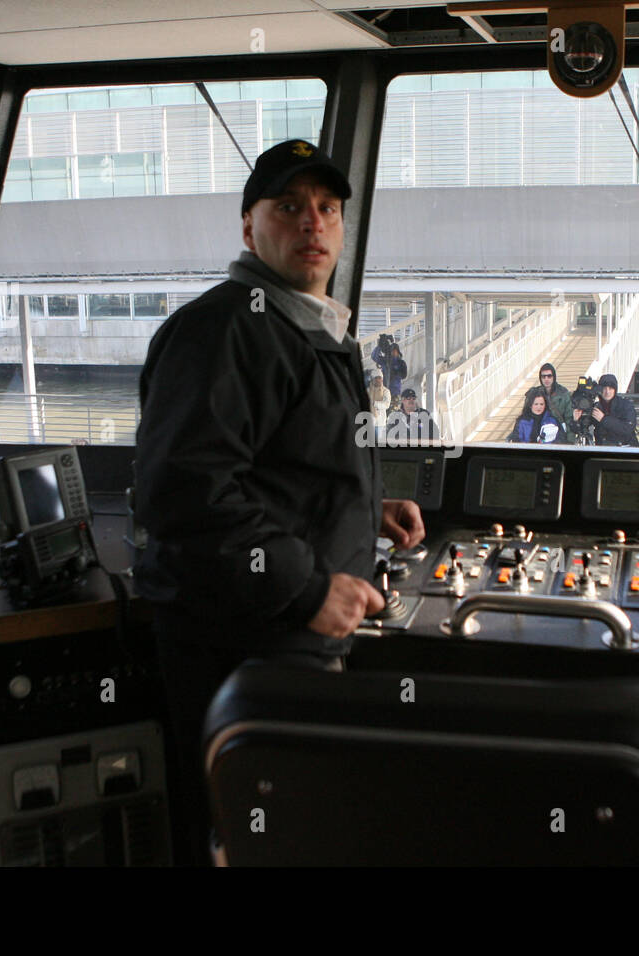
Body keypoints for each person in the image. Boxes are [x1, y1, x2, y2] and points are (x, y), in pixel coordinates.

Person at [134, 139, 426, 863]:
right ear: (248, 227)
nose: (313, 224)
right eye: (289, 207)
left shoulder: (309, 325)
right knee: (261, 836)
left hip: (291, 632)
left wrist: (367, 509)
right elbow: (186, 498)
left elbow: (283, 465)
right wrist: (304, 589)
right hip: (246, 640)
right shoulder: (223, 330)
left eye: (327, 209)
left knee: (304, 828)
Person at [592, 373, 638, 446]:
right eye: (604, 388)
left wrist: (604, 419)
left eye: (610, 388)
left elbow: (628, 428)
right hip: (602, 449)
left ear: (615, 390)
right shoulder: (597, 407)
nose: (607, 392)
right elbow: (583, 426)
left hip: (624, 448)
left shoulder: (626, 405)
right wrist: (576, 418)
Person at [368, 369, 392, 440]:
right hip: (368, 422)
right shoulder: (367, 390)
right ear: (372, 379)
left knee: (379, 443)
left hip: (380, 423)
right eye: (376, 378)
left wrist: (374, 403)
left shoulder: (386, 391)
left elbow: (386, 404)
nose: (378, 380)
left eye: (380, 378)